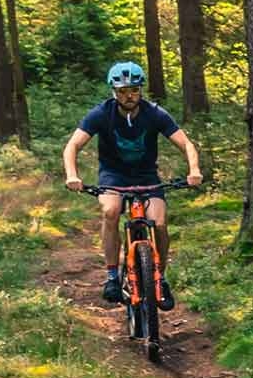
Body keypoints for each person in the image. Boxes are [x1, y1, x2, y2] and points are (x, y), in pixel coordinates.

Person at [62, 61, 203, 309]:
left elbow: (187, 144)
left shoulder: (155, 113)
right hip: (113, 176)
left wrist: (194, 170)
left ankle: (160, 278)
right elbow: (72, 146)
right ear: (114, 92)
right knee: (110, 211)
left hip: (147, 176)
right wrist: (72, 175)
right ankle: (112, 277)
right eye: (123, 91)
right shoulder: (101, 114)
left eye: (134, 90)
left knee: (159, 223)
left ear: (141, 90)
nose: (129, 96)